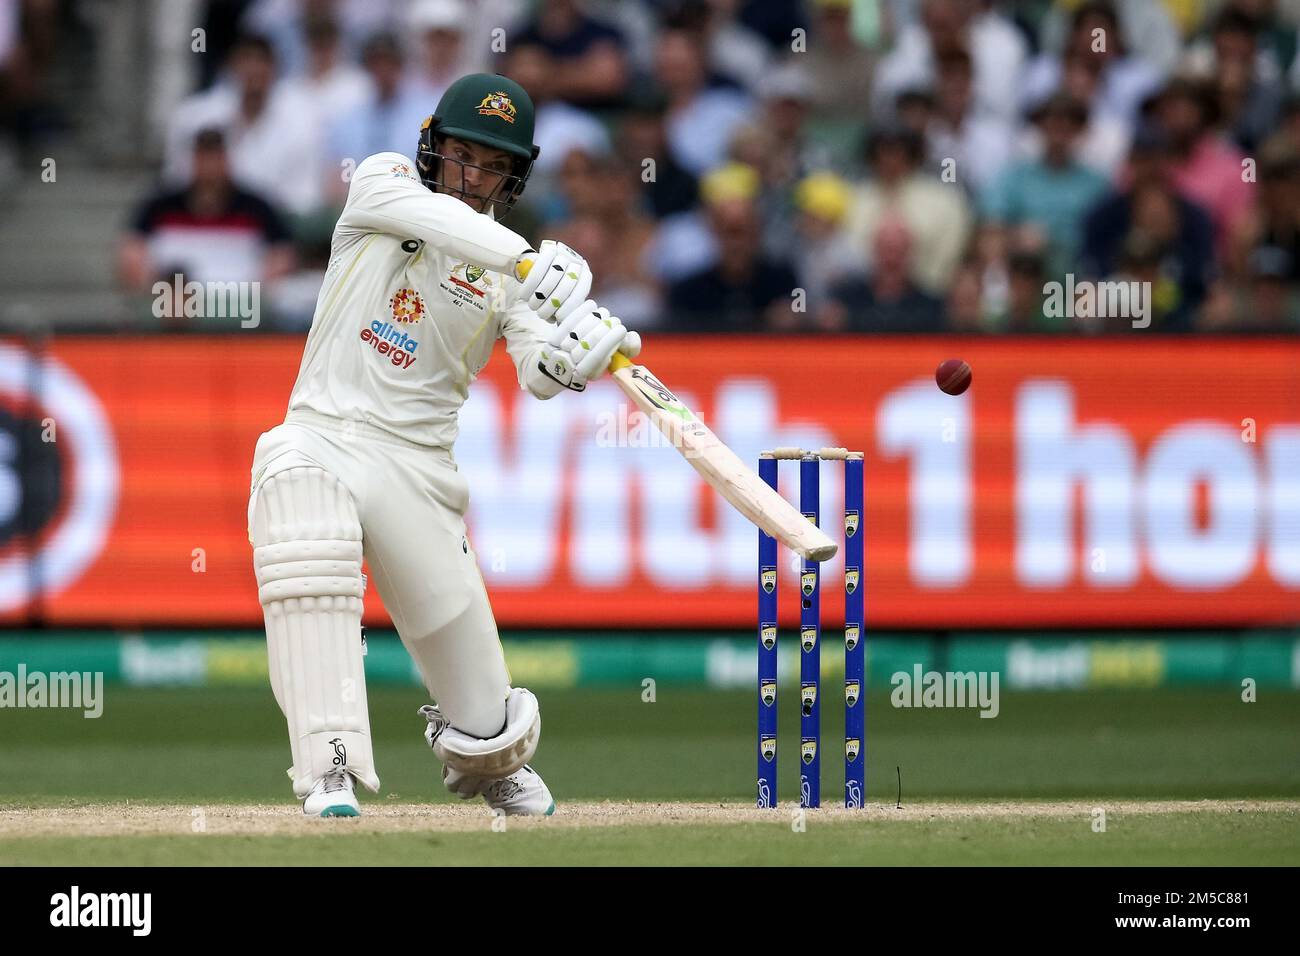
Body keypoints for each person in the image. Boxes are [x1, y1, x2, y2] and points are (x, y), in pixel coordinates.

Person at [246, 73, 639, 818]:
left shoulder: (511, 277)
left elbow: (538, 373)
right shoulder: (382, 184)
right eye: (463, 155)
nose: (474, 175)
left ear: (514, 177)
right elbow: (445, 222)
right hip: (323, 434)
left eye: (493, 165)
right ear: (432, 147)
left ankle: (485, 759)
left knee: (487, 718)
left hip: (420, 472)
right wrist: (529, 260)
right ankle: (328, 769)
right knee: (303, 523)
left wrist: (575, 354)